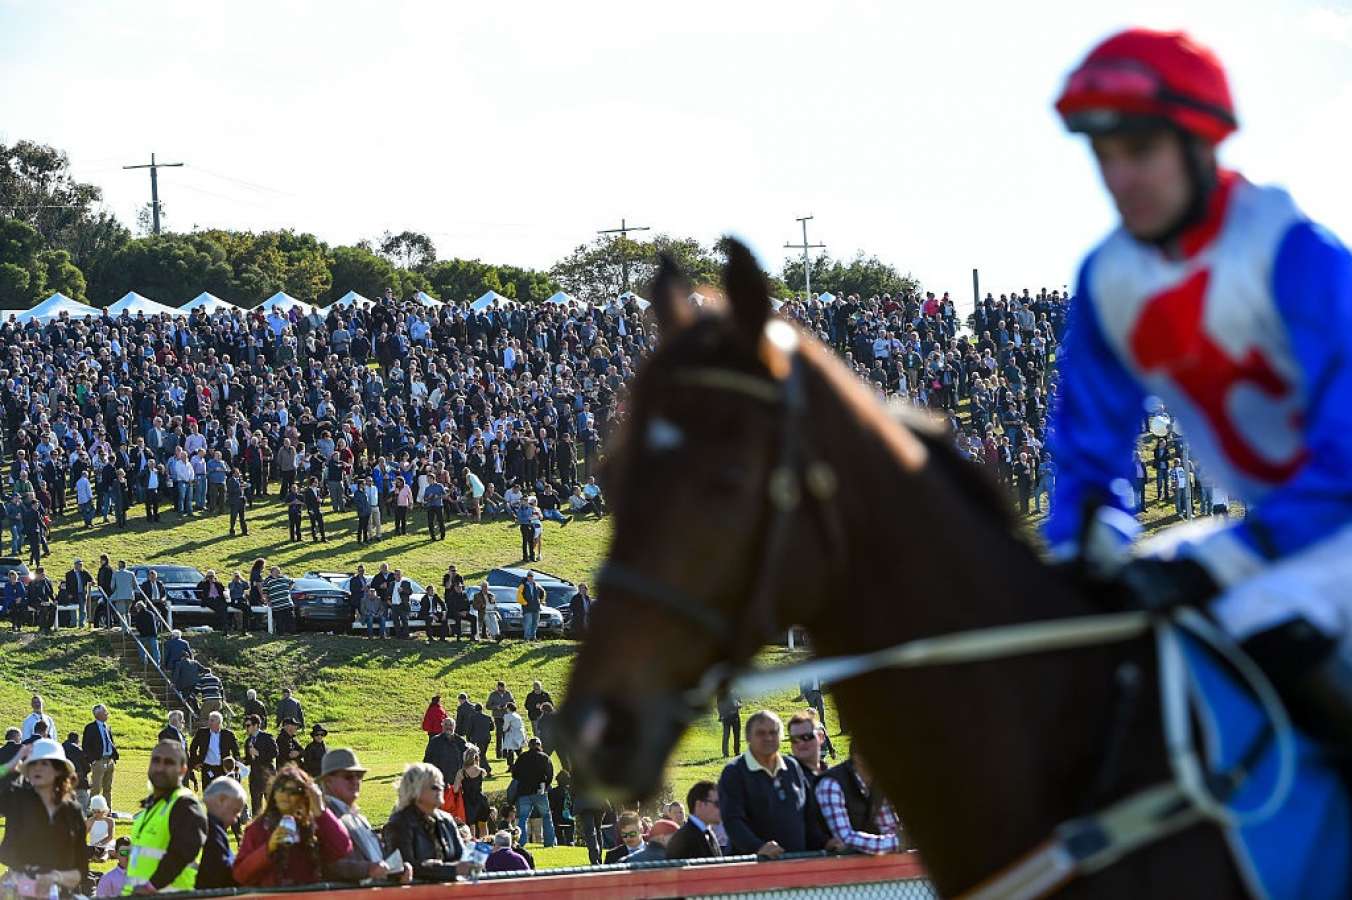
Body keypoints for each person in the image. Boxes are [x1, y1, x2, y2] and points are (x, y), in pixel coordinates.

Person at [1047, 28, 1352, 750]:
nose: (1121, 178)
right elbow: (1089, 450)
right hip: (1286, 529)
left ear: (1201, 144)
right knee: (1135, 623)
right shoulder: (1107, 279)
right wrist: (1082, 541)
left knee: (1262, 614)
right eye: (1105, 156)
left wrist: (1235, 555)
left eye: (1141, 151)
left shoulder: (1292, 252)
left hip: (1325, 519)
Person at [717, 710, 829, 857]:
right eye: (760, 733)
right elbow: (732, 821)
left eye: (773, 732)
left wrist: (826, 842)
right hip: (755, 868)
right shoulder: (734, 773)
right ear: (748, 737)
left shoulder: (792, 766)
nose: (768, 737)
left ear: (781, 736)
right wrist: (758, 847)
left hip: (797, 865)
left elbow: (808, 818)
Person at [232, 766, 352, 887]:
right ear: (273, 794)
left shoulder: (314, 826)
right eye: (281, 789)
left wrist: (320, 810)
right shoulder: (258, 829)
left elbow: (343, 849)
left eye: (293, 791)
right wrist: (268, 848)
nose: (286, 795)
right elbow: (240, 875)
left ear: (304, 796)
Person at [0, 739, 87, 894]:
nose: (37, 768)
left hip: (61, 893)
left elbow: (81, 870)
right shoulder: (17, 800)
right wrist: (13, 763)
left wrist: (55, 877)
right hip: (20, 891)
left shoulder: (73, 811)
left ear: (59, 770)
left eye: (44, 764)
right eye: (33, 764)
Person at [320, 748, 413, 885]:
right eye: (348, 776)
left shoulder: (358, 817)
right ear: (328, 781)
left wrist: (399, 869)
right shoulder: (324, 816)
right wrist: (368, 869)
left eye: (359, 776)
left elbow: (376, 856)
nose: (355, 781)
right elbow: (326, 863)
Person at [125, 740, 208, 893]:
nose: (160, 767)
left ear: (183, 770)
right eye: (156, 761)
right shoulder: (153, 806)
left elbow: (184, 851)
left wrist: (152, 886)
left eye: (169, 762)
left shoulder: (185, 804)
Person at [381, 763, 474, 882]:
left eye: (442, 784)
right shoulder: (399, 823)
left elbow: (463, 858)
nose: (441, 789)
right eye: (435, 786)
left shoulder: (447, 820)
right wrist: (451, 870)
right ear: (416, 790)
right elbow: (404, 868)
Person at [815, 750, 902, 855]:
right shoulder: (831, 784)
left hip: (870, 866)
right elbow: (845, 838)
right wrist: (898, 842)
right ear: (858, 756)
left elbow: (889, 828)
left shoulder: (877, 783)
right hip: (828, 867)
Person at [198, 776, 247, 889]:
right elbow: (221, 874)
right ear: (221, 799)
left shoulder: (211, 828)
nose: (235, 820)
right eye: (235, 812)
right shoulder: (211, 831)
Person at [509, 737, 556, 848]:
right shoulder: (545, 757)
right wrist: (545, 785)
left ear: (529, 746)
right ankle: (549, 842)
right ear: (540, 745)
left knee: (523, 818)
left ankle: (521, 842)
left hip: (524, 791)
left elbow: (514, 774)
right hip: (540, 791)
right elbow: (550, 775)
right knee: (546, 816)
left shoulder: (522, 757)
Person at [666, 781, 724, 860]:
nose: (722, 807)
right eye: (717, 803)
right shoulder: (682, 840)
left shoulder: (709, 833)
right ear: (699, 805)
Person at [81, 704, 119, 808]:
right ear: (98, 714)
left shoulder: (107, 727)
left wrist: (114, 757)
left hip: (109, 760)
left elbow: (111, 742)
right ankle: (93, 810)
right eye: (105, 712)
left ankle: (107, 810)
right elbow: (85, 746)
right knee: (96, 788)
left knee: (108, 788)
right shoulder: (90, 728)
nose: (107, 714)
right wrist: (92, 760)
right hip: (98, 761)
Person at [189, 711, 241, 787]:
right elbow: (193, 748)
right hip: (207, 768)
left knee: (222, 792)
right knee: (207, 792)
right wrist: (196, 762)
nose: (209, 722)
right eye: (209, 720)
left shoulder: (228, 735)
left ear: (219, 722)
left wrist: (235, 767)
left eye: (212, 720)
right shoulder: (202, 733)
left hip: (223, 768)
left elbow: (236, 752)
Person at [242, 715, 278, 818]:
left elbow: (275, 753)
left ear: (256, 725)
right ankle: (257, 828)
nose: (246, 728)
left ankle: (275, 826)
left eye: (248, 725)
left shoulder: (267, 737)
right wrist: (241, 761)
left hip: (267, 776)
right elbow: (250, 760)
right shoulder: (248, 741)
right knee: (256, 806)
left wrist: (259, 753)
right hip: (254, 777)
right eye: (245, 726)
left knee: (272, 804)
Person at [454, 746, 491, 836]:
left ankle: (472, 845)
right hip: (481, 800)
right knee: (483, 825)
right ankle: (485, 844)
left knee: (471, 826)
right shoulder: (482, 771)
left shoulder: (461, 772)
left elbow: (455, 789)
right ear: (476, 758)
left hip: (468, 801)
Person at [424, 717, 467, 786]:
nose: (448, 727)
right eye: (446, 724)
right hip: (439, 778)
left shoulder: (460, 741)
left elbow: (467, 759)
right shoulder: (435, 741)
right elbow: (428, 758)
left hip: (456, 779)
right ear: (442, 726)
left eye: (451, 725)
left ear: (454, 726)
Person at [264, 567, 296, 634]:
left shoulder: (284, 577)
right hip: (277, 604)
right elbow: (265, 592)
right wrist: (268, 601)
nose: (278, 572)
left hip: (287, 603)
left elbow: (292, 582)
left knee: (290, 619)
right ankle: (281, 633)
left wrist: (288, 590)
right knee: (279, 620)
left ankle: (292, 632)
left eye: (279, 571)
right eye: (277, 571)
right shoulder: (267, 580)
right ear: (272, 572)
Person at [63, 559, 93, 629]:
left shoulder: (84, 572)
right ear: (75, 565)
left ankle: (81, 624)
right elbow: (67, 585)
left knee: (82, 609)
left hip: (82, 593)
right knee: (73, 609)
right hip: (73, 594)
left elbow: (91, 579)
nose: (81, 566)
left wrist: (92, 582)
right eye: (79, 565)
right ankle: (73, 623)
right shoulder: (69, 574)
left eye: (81, 565)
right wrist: (69, 594)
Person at [86, 794, 115, 858]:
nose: (96, 814)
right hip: (93, 846)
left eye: (98, 811)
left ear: (103, 810)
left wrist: (99, 844)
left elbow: (110, 837)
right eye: (94, 811)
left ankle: (103, 857)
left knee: (108, 850)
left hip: (107, 845)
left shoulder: (110, 821)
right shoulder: (90, 821)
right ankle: (97, 855)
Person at [500, 702, 526, 767]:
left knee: (510, 751)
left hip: (512, 734)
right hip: (520, 734)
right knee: (518, 750)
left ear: (509, 708)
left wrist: (504, 729)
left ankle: (511, 766)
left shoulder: (507, 716)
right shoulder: (517, 715)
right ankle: (523, 764)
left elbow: (505, 727)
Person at [718, 690, 742, 758]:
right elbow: (719, 705)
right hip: (726, 717)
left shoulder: (736, 692)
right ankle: (725, 754)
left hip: (735, 717)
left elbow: (740, 702)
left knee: (737, 735)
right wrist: (721, 715)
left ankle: (737, 752)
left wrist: (738, 704)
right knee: (726, 736)